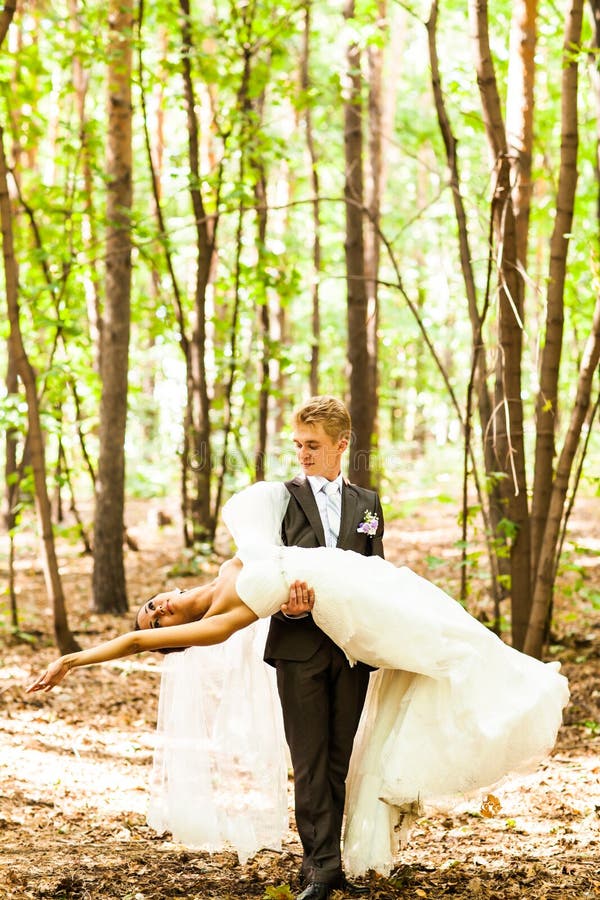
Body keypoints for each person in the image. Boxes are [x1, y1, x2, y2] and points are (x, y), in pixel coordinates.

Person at [27, 479, 569, 882]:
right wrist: (74, 661)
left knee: (446, 626)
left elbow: (336, 540)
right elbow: (135, 643)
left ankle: (516, 678)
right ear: (175, 631)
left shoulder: (230, 567)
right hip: (333, 619)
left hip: (365, 583)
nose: (158, 607)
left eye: (151, 605)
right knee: (417, 668)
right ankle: (322, 866)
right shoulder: (220, 620)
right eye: (159, 619)